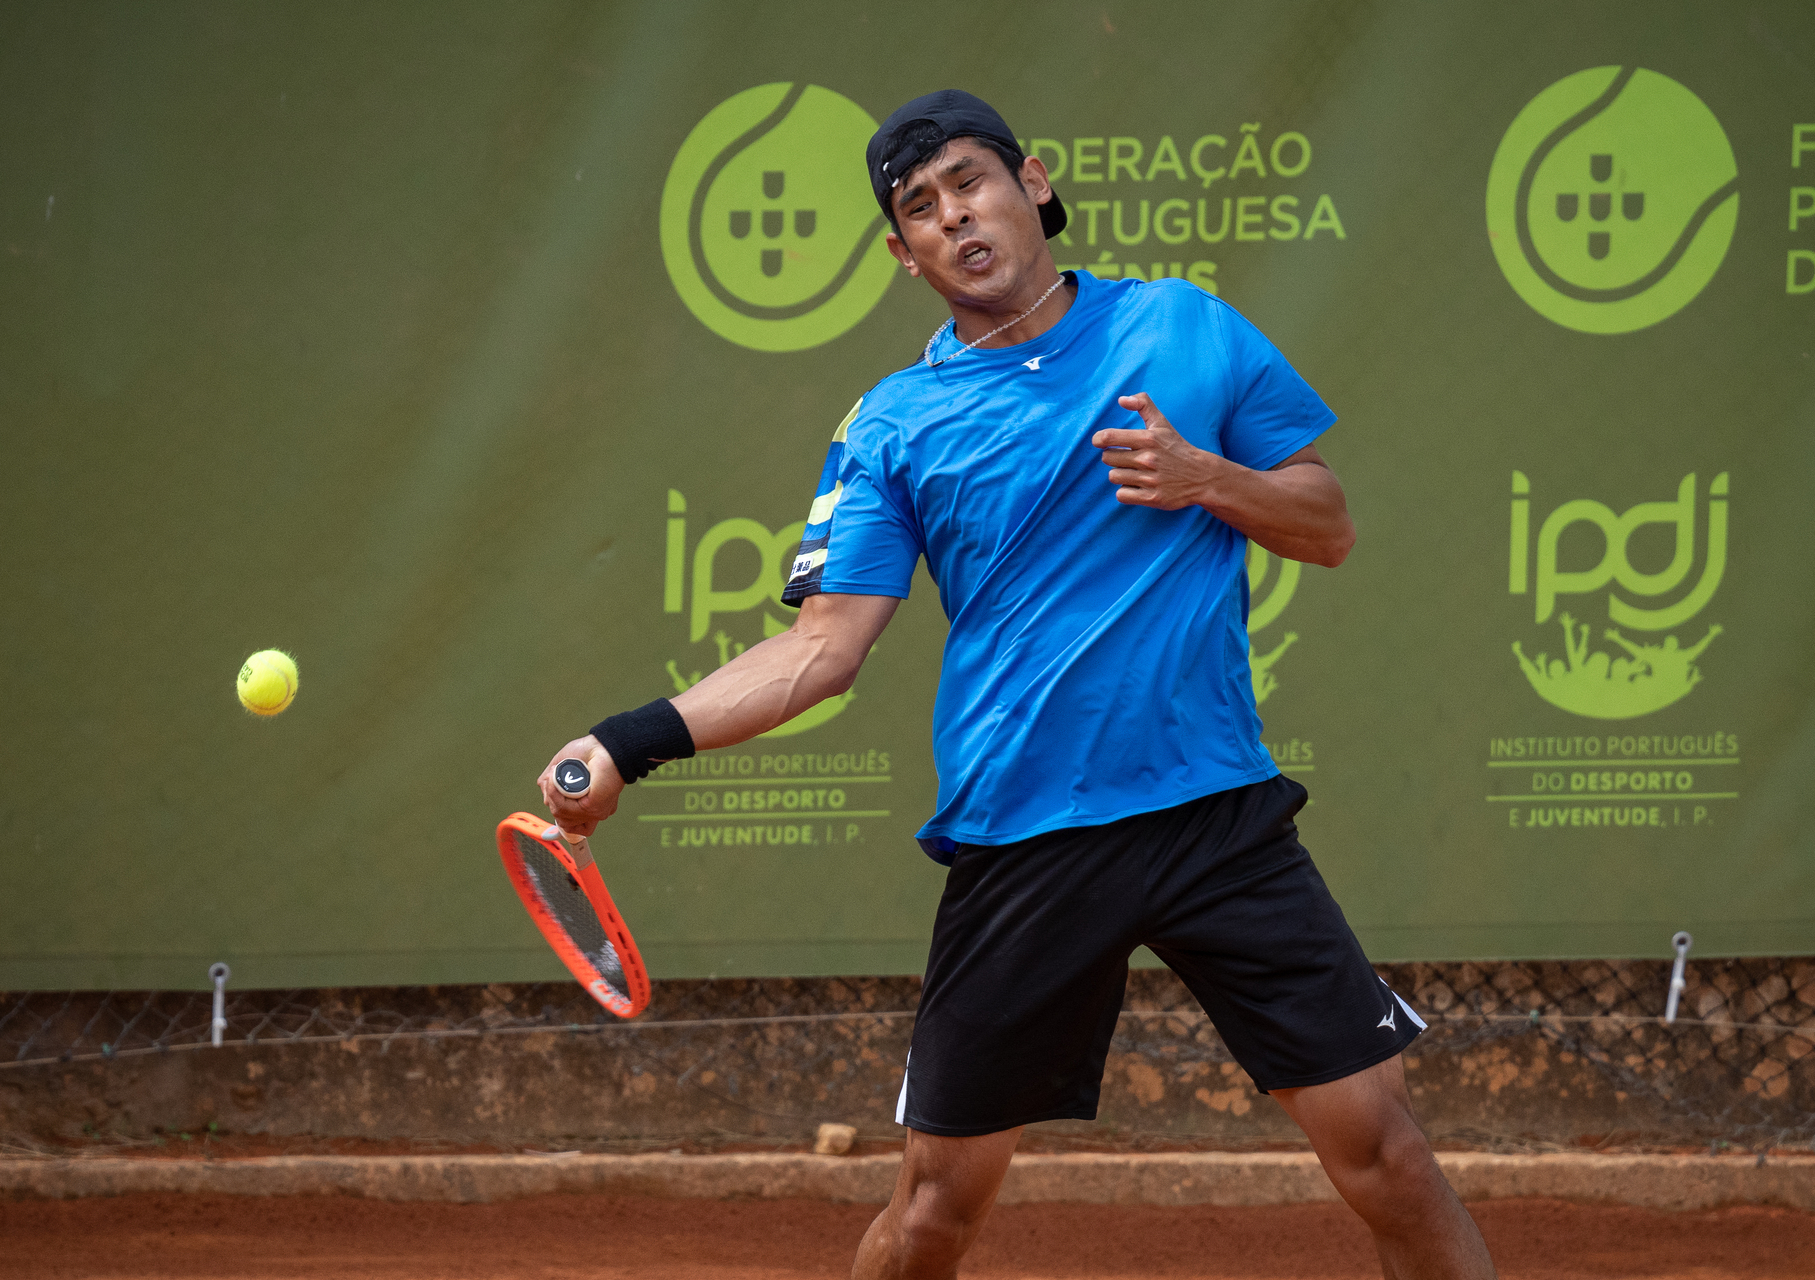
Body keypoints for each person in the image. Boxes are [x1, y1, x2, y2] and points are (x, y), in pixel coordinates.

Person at [543, 89, 1497, 1280]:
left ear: (1033, 184)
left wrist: (1204, 476)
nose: (954, 215)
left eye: (969, 181)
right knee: (934, 1209)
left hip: (1217, 815)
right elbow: (821, 649)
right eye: (920, 207)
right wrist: (624, 742)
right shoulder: (894, 424)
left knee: (1389, 1154)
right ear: (905, 254)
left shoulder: (1186, 326)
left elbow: (1328, 522)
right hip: (1026, 837)